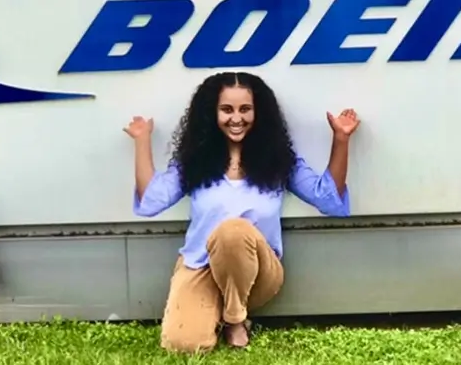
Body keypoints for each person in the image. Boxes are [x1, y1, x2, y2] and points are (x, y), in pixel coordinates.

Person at [124, 72, 360, 353]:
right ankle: (216, 311)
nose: (236, 118)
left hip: (258, 272)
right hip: (202, 267)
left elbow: (328, 200)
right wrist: (142, 140)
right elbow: (151, 201)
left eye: (245, 109)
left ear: (258, 113)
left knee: (233, 230)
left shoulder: (279, 160)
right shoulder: (194, 161)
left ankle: (235, 319)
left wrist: (341, 139)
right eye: (226, 110)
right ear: (212, 113)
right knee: (184, 344)